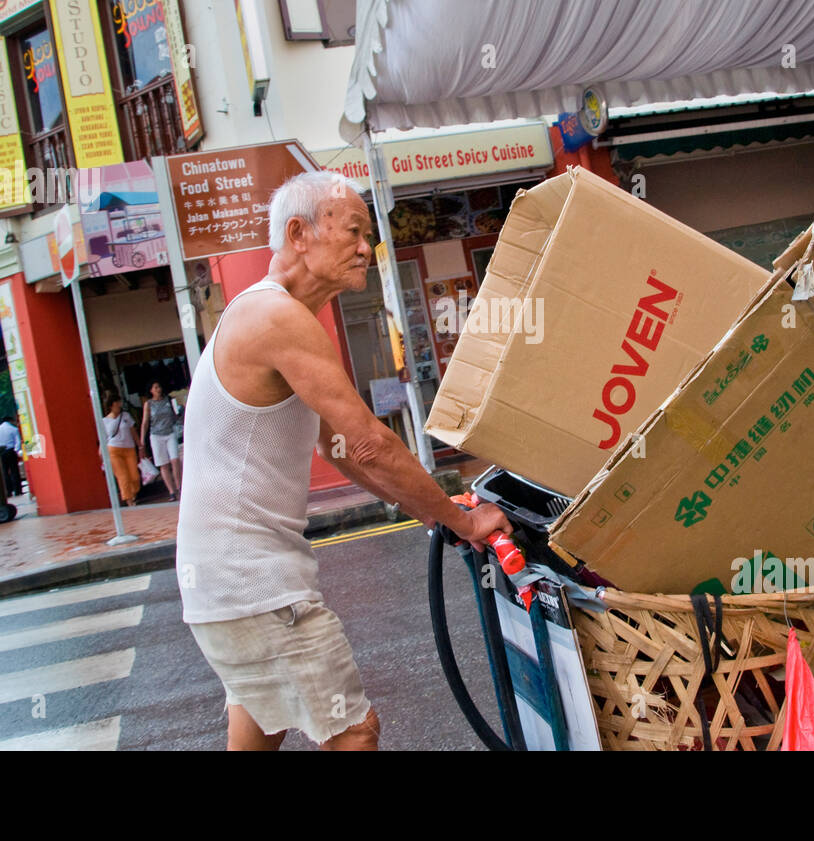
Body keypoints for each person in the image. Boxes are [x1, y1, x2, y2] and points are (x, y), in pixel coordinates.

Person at [176, 171, 510, 751]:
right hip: (255, 587)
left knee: (263, 722)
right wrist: (466, 521)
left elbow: (342, 450)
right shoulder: (276, 319)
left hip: (226, 589)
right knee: (353, 731)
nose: (367, 247)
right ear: (300, 233)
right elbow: (371, 445)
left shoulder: (262, 312)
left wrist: (431, 509)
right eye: (354, 230)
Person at [140, 381, 182, 500]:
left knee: (175, 460)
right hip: (156, 436)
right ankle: (171, 491)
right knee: (163, 464)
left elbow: (176, 415)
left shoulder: (168, 400)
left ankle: (179, 487)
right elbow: (145, 422)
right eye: (156, 387)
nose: (158, 389)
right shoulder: (148, 404)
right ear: (151, 390)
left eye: (159, 387)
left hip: (170, 433)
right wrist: (142, 440)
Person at [103, 395, 141, 506]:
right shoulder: (105, 420)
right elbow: (104, 438)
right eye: (117, 402)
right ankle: (129, 500)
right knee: (122, 476)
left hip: (129, 448)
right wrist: (102, 451)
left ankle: (133, 493)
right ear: (112, 404)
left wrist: (140, 445)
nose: (119, 404)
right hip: (114, 449)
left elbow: (133, 431)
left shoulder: (125, 416)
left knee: (134, 476)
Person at [0, 414, 24, 496]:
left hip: (0, 452)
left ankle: (8, 491)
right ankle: (17, 490)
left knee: (4, 472)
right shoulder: (14, 429)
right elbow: (18, 442)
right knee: (14, 471)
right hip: (10, 451)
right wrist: (16, 450)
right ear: (10, 421)